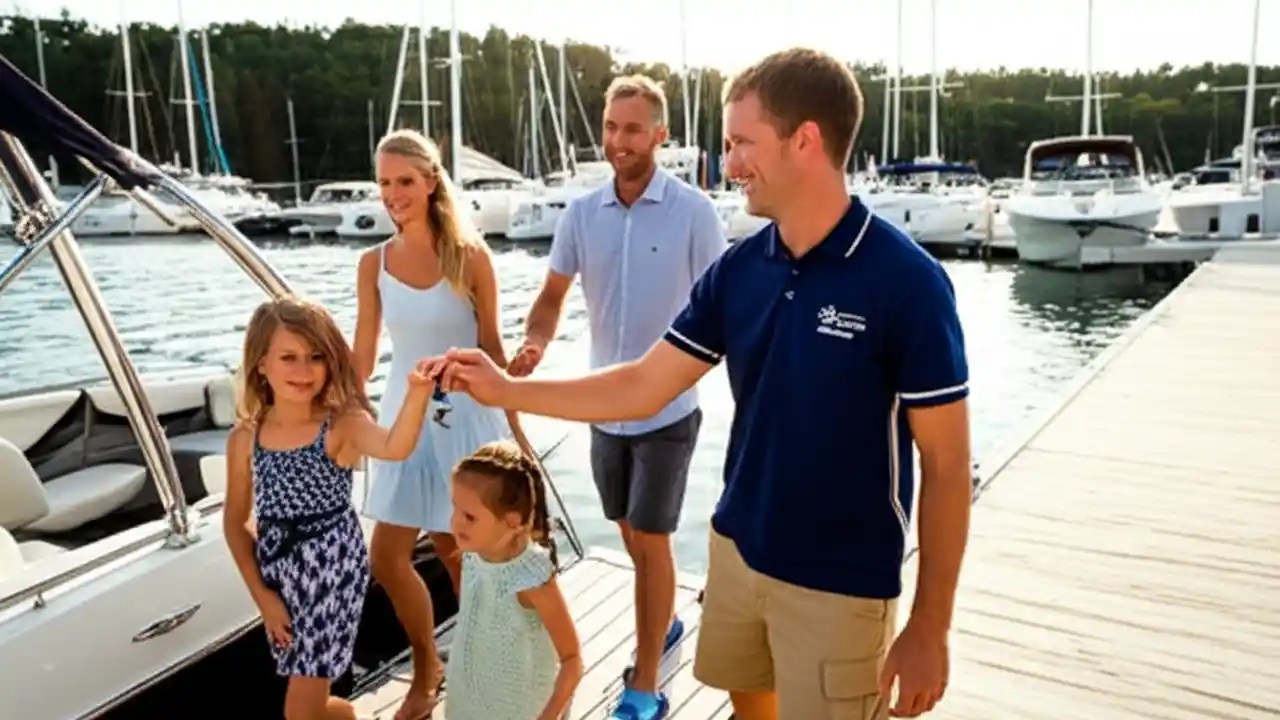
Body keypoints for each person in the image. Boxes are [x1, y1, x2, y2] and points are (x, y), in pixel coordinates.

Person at [422, 47, 973, 720]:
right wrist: (505, 389)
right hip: (738, 549)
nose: (731, 163)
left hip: (843, 580)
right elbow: (642, 385)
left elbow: (945, 464)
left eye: (743, 143)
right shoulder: (739, 271)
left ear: (806, 140)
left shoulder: (907, 282)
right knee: (750, 707)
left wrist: (930, 626)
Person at [507, 73, 727, 720]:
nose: (619, 140)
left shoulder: (695, 212)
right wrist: (534, 345)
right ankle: (661, 622)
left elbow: (720, 307)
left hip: (668, 410)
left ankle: (646, 681)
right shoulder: (580, 214)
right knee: (629, 531)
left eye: (633, 128)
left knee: (653, 541)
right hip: (603, 407)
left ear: (660, 134)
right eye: (611, 126)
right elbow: (550, 299)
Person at [353, 128, 534, 720]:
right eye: (384, 183)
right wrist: (335, 425)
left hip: (466, 423)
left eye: (404, 181)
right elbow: (361, 357)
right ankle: (427, 665)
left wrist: (520, 433)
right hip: (404, 423)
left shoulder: (471, 258)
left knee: (464, 557)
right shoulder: (372, 264)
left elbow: (492, 351)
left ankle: (481, 676)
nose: (393, 193)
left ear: (431, 182)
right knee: (387, 558)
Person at [222, 297, 435, 720]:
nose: (304, 370)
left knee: (299, 710)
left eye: (316, 357)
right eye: (289, 357)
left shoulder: (341, 424)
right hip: (279, 576)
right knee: (314, 704)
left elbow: (395, 446)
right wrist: (263, 597)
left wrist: (418, 393)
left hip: (332, 571)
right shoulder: (246, 439)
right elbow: (234, 523)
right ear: (261, 364)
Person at [442, 440, 583, 720]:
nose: (456, 522)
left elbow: (572, 660)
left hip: (519, 706)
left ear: (513, 521)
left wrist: (550, 716)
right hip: (468, 698)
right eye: (455, 508)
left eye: (469, 516)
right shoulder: (472, 555)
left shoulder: (531, 578)